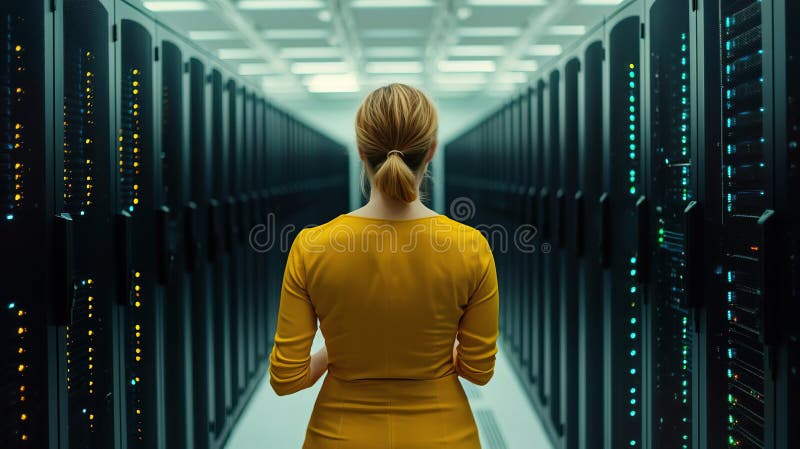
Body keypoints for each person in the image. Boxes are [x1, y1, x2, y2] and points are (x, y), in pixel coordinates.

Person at [268, 83, 500, 449]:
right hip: (444, 435)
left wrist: (344, 349)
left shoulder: (312, 246)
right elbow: (478, 371)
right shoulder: (471, 247)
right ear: (432, 151)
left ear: (360, 151)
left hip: (338, 437)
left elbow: (287, 378)